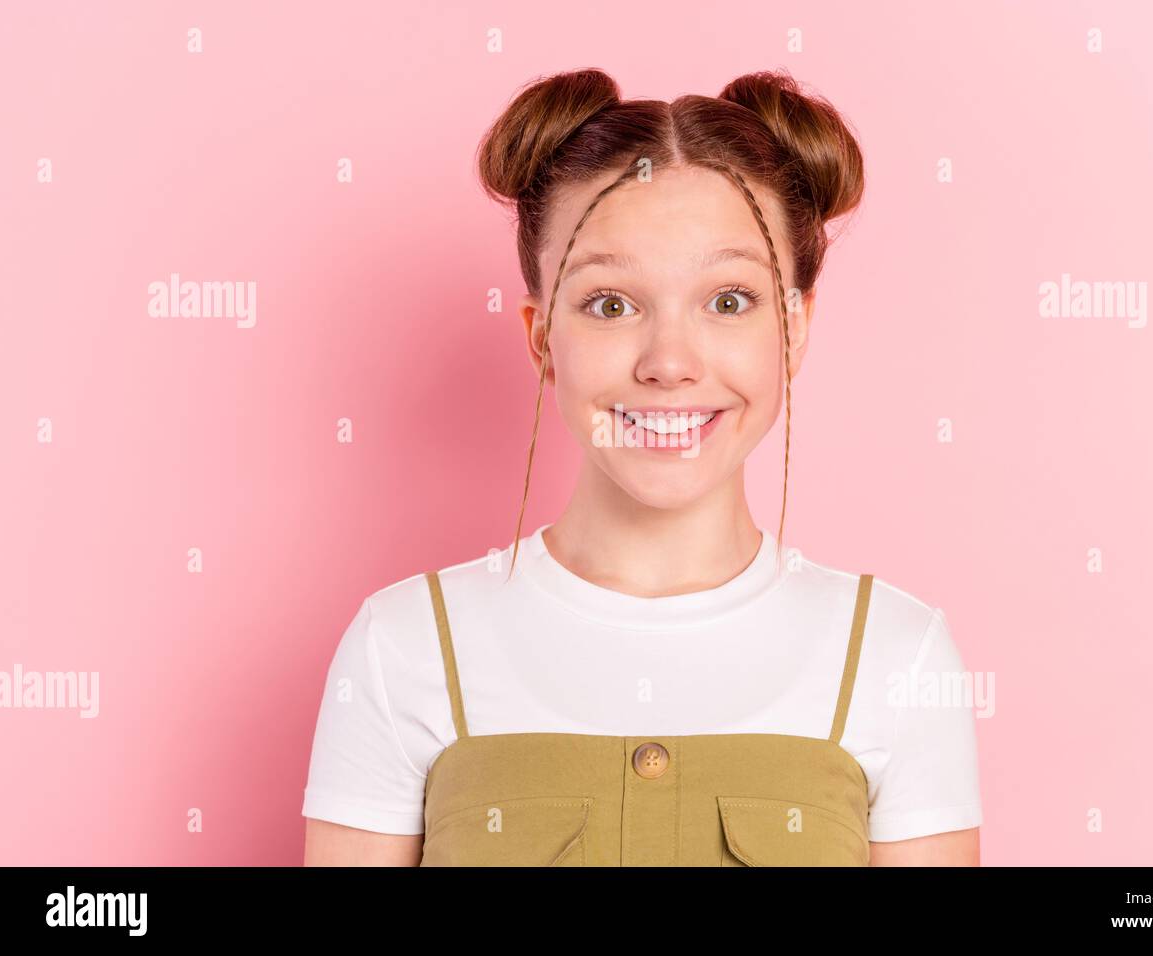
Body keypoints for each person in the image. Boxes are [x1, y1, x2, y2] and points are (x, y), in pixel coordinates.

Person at [302, 68, 982, 866]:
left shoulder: (896, 655)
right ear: (541, 337)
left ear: (794, 330)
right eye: (610, 304)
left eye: (728, 300)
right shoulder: (404, 646)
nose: (669, 362)